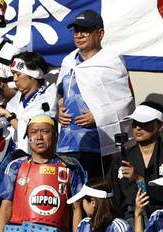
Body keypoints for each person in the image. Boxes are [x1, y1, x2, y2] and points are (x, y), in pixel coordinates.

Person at [56, 11, 133, 179]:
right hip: (67, 142)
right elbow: (60, 93)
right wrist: (60, 109)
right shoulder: (68, 60)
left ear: (100, 33)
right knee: (67, 189)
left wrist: (98, 115)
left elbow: (125, 102)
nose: (79, 35)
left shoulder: (111, 61)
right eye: (76, 31)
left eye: (85, 30)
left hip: (97, 142)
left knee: (95, 193)